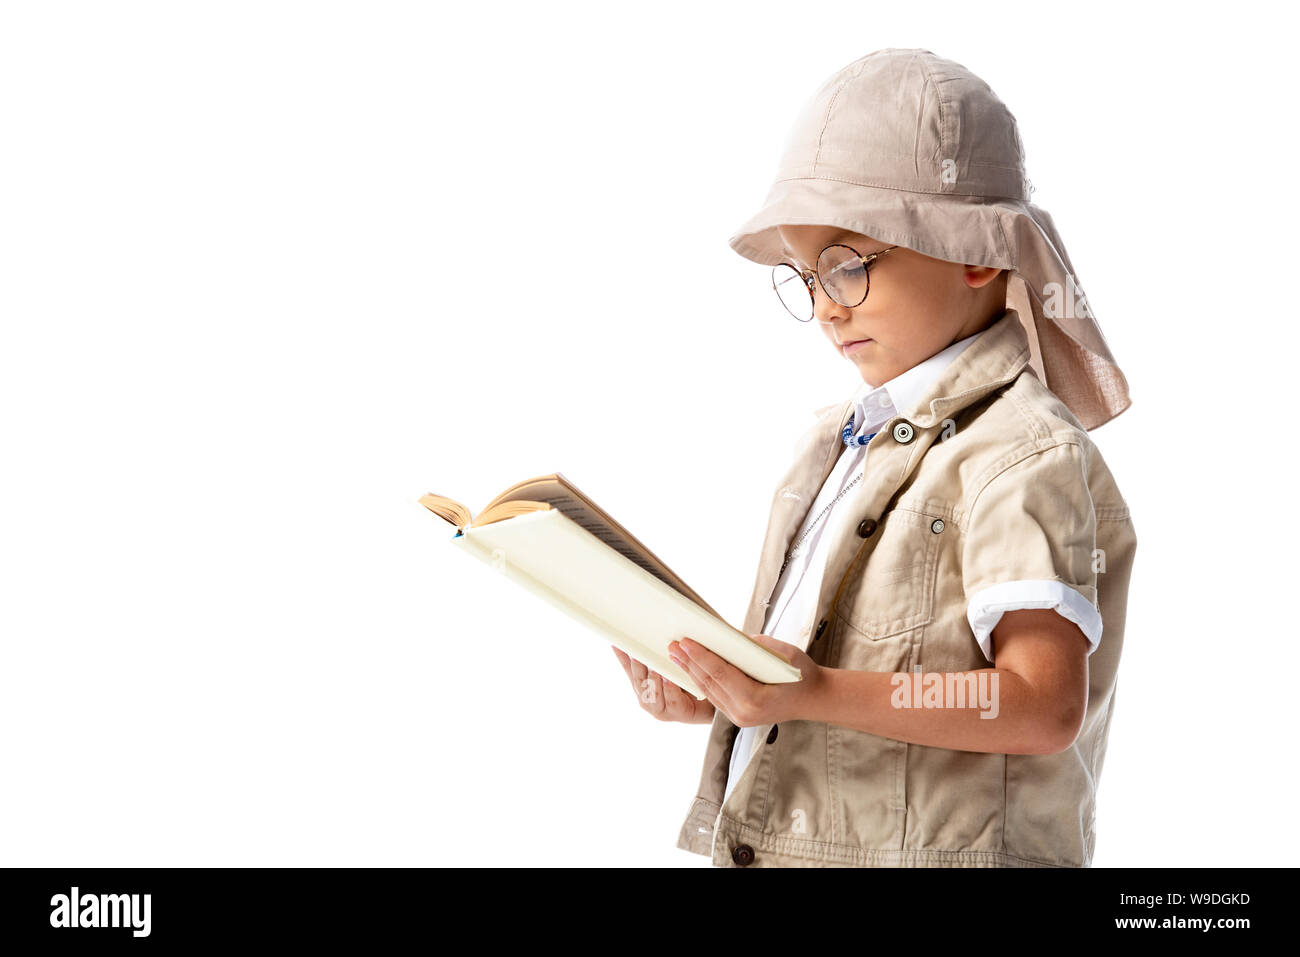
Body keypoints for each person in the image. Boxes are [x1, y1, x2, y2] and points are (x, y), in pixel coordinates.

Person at [613, 48, 1136, 868]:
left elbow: (1040, 703)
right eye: (806, 275)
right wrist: (723, 693)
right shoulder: (834, 447)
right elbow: (823, 681)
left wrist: (816, 691)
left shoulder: (1020, 453)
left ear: (975, 252)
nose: (823, 307)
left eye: (849, 265)